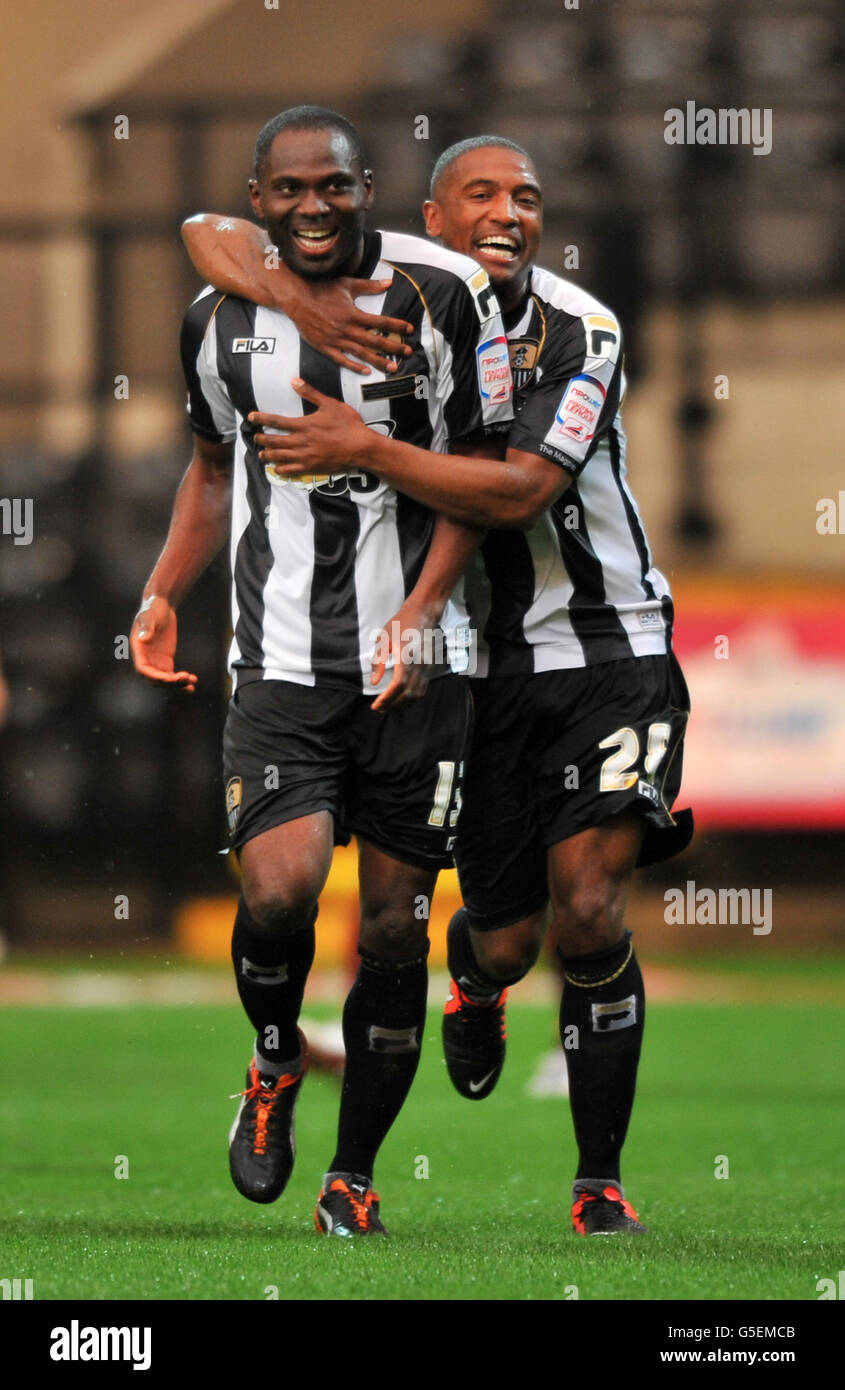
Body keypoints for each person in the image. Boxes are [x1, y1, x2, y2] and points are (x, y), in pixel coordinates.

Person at [182, 136, 693, 1236]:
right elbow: (211, 232)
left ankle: (595, 1185)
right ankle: (473, 985)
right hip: (472, 669)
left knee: (592, 915)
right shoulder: (396, 298)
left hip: (606, 651)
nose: (510, 212)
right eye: (483, 195)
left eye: (529, 198)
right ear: (425, 218)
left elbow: (516, 489)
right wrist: (295, 303)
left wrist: (359, 447)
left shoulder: (579, 327)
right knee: (503, 940)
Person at [131, 108, 513, 1238]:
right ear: (260, 199)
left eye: (333, 188)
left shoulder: (438, 301)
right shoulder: (215, 320)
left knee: (393, 926)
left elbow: (479, 473)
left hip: (420, 664)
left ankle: (353, 1177)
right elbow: (210, 470)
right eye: (289, 190)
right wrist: (158, 592)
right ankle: (272, 1061)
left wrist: (421, 608)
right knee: (280, 891)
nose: (312, 207)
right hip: (281, 661)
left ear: (366, 189)